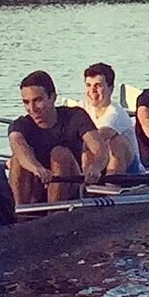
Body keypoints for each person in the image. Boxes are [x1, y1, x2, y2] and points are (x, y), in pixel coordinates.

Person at [8, 69, 107, 205]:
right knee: (17, 160)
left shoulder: (75, 116)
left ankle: (54, 216)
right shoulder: (20, 125)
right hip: (36, 186)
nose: (32, 108)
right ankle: (19, 215)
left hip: (71, 186)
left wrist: (96, 167)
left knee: (60, 153)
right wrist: (38, 169)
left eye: (38, 100)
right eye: (26, 102)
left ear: (53, 97)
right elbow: (18, 146)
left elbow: (100, 149)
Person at [81, 61, 145, 175]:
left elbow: (98, 138)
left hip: (131, 172)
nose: (92, 91)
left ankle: (111, 185)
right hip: (101, 165)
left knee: (114, 142)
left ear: (110, 89)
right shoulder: (82, 108)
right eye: (88, 85)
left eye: (98, 85)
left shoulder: (115, 114)